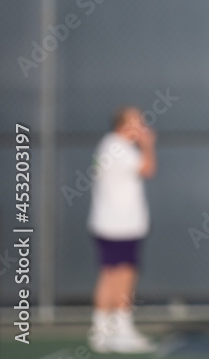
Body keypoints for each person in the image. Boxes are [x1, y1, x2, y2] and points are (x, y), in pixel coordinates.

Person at [87, 106, 157, 354]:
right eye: (137, 121)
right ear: (123, 125)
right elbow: (148, 169)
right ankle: (116, 330)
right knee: (121, 276)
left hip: (114, 224)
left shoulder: (109, 145)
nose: (143, 125)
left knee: (114, 275)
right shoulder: (119, 148)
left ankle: (108, 330)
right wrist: (148, 144)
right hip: (119, 226)